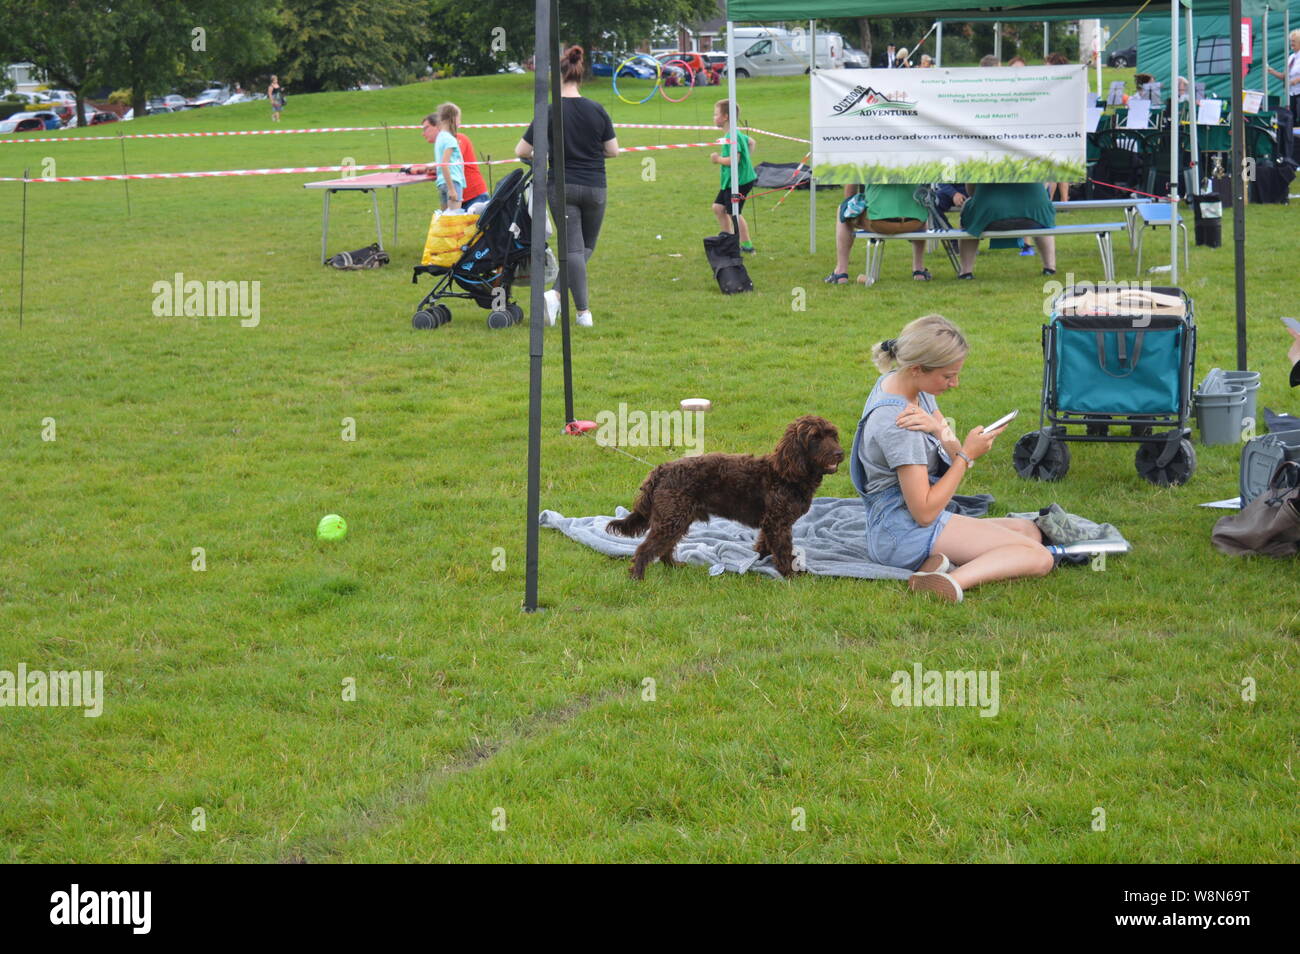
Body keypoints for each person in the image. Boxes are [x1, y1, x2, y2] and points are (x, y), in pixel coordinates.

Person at [849, 314, 1054, 602]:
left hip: (906, 525)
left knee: (1028, 531)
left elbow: (951, 445)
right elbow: (924, 512)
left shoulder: (907, 385)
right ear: (918, 368)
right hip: (902, 534)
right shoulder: (900, 424)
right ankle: (946, 581)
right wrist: (966, 457)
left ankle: (935, 564)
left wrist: (940, 431)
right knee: (1040, 557)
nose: (955, 383)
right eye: (948, 376)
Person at [517, 45, 619, 328]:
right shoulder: (597, 110)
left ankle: (566, 302)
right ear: (580, 76)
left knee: (574, 250)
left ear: (557, 77)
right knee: (586, 247)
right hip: (595, 186)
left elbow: (521, 150)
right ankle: (574, 307)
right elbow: (613, 150)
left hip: (562, 187)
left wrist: (543, 154)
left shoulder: (548, 111)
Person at [824, 183, 930, 283]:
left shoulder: (870, 162)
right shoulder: (913, 162)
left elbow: (851, 185)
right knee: (921, 211)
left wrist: (850, 202)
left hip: (879, 221)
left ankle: (841, 272)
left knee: (842, 209)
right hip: (914, 222)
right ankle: (919, 269)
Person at [956, 183, 1057, 279]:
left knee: (969, 219)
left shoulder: (981, 164)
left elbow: (971, 191)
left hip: (989, 215)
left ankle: (966, 272)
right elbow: (1044, 185)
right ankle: (1050, 267)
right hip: (1034, 215)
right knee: (1044, 222)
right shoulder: (1033, 164)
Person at [709, 98, 757, 254]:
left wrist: (717, 160)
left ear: (725, 117)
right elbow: (752, 142)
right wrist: (747, 161)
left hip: (740, 182)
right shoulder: (733, 133)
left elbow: (733, 160)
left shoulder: (733, 137)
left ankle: (747, 245)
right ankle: (727, 238)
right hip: (730, 181)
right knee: (718, 208)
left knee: (734, 213)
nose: (713, 117)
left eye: (716, 114)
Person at [1267, 29, 1300, 143]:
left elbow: (1294, 80)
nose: (1292, 44)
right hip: (1292, 94)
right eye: (1291, 41)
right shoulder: (1291, 58)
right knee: (1292, 121)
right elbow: (1285, 77)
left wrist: (1297, 80)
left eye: (1294, 41)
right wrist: (1272, 71)